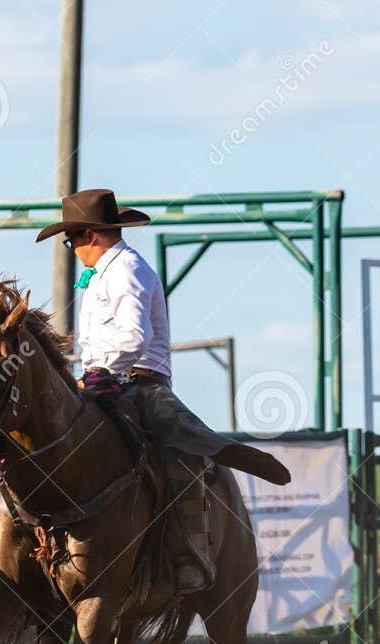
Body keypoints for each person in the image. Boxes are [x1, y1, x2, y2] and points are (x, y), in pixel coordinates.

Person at [34, 188, 289, 594]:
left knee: (179, 449)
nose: (71, 249)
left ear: (91, 236)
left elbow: (135, 336)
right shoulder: (104, 272)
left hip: (140, 382)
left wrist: (101, 373)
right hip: (104, 378)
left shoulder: (127, 270)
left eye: (71, 239)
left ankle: (190, 550)